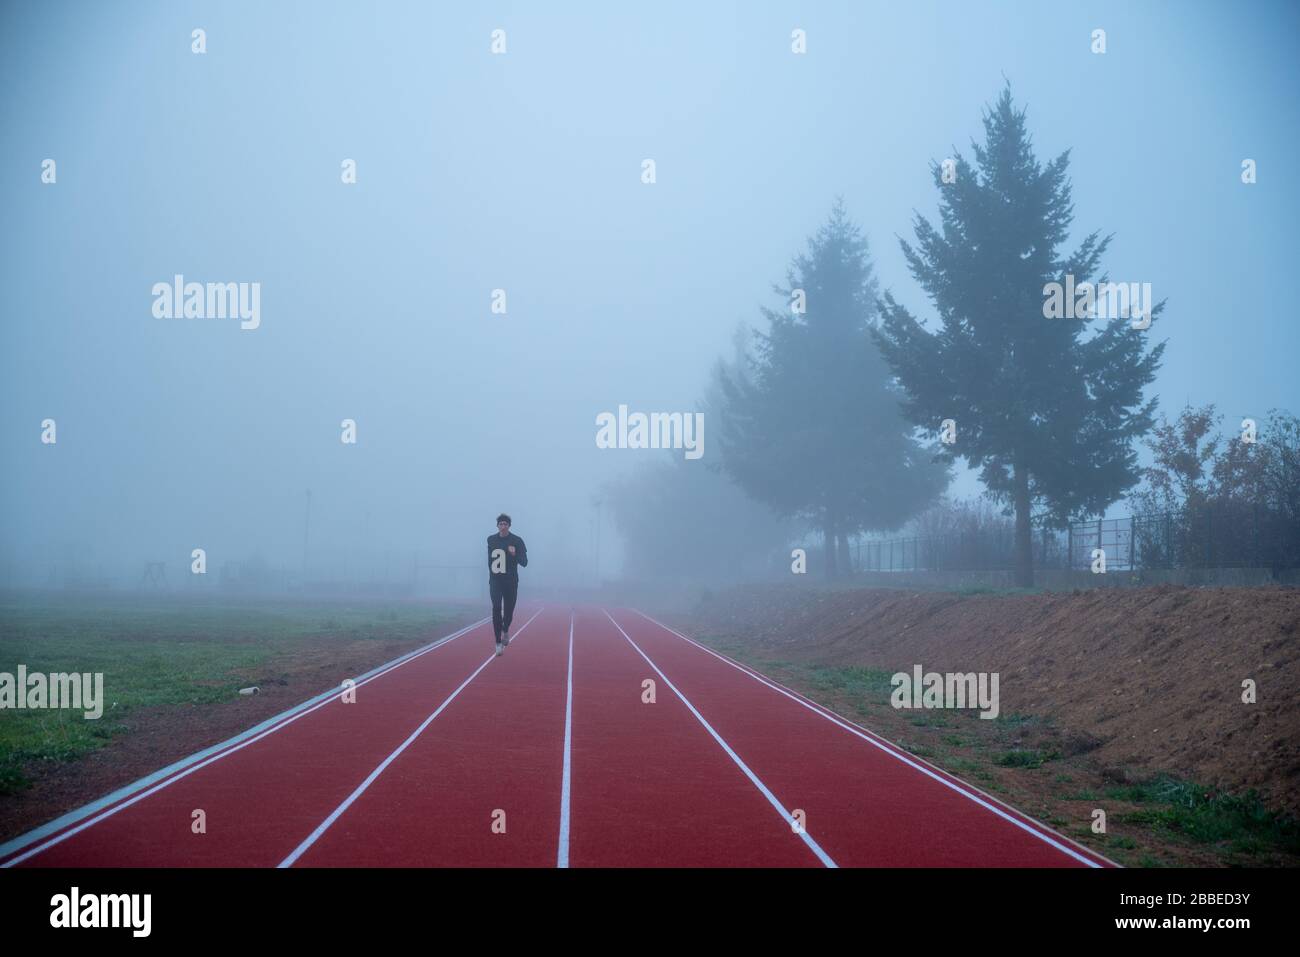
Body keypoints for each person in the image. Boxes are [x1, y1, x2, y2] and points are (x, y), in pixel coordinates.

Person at [487, 513, 527, 656]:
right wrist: (492, 577)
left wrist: (514, 554)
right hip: (496, 581)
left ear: (509, 526)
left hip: (510, 582)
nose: (503, 526)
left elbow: (524, 563)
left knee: (508, 611)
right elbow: (490, 560)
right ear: (497, 525)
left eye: (505, 524)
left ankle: (505, 630)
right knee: (496, 608)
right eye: (501, 524)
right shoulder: (491, 540)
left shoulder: (517, 541)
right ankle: (498, 642)